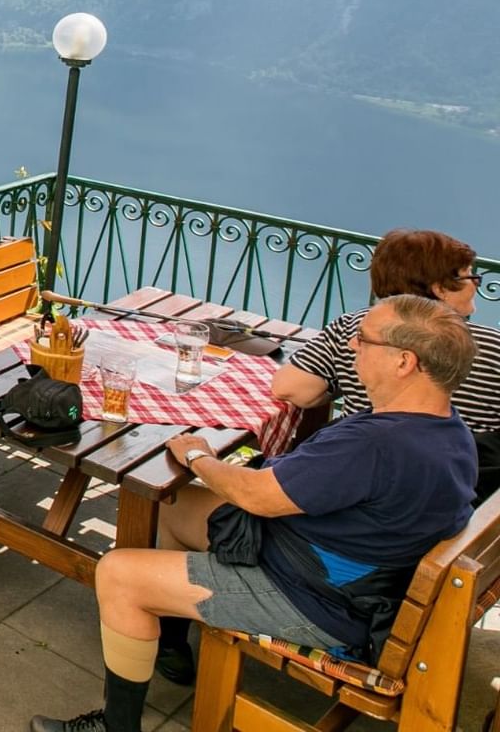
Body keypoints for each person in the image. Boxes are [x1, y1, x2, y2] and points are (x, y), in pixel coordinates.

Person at [30, 296, 477, 732]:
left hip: (316, 601)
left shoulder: (378, 444)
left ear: (404, 362)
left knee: (118, 573)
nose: (352, 346)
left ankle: (115, 724)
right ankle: (167, 640)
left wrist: (198, 458)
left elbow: (258, 496)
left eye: (363, 339)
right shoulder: (448, 430)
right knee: (171, 505)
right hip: (346, 573)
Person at [272, 228, 500, 503]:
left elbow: (292, 390)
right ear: (440, 289)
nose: (476, 284)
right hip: (457, 498)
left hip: (359, 487)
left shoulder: (354, 329)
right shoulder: (493, 346)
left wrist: (343, 382)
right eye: (471, 276)